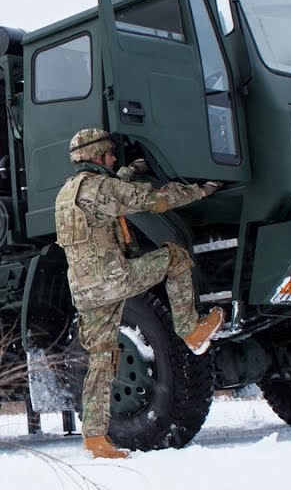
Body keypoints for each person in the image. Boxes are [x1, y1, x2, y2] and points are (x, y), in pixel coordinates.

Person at [55, 127, 225, 460]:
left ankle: (95, 439)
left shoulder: (68, 193)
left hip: (85, 290)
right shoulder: (103, 188)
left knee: (101, 360)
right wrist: (201, 191)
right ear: (98, 155)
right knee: (175, 257)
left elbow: (113, 191)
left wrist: (130, 171)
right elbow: (155, 200)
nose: (114, 157)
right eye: (110, 153)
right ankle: (190, 330)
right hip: (115, 279)